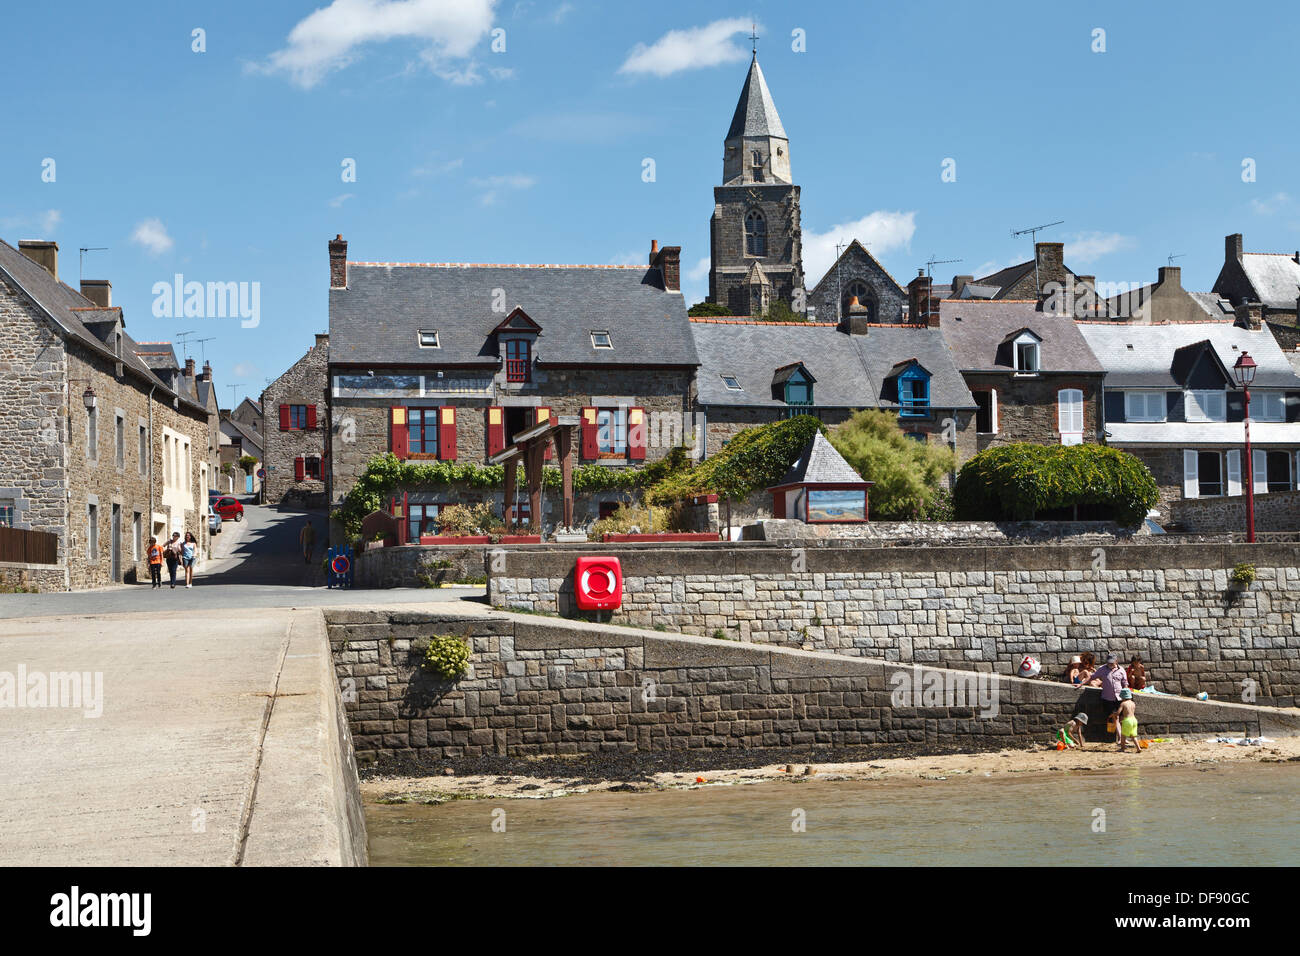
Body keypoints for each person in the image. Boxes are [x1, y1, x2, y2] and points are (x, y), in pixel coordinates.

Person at [1085, 653, 1130, 744]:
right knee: (1115, 717)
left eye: (1112, 663)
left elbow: (1125, 683)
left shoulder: (1121, 670)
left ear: (1116, 661)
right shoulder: (1102, 669)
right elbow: (1092, 677)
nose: (1110, 664)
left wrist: (1126, 696)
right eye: (1109, 662)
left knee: (1121, 718)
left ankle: (1121, 737)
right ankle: (1121, 738)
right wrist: (1081, 684)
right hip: (1108, 698)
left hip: (1119, 698)